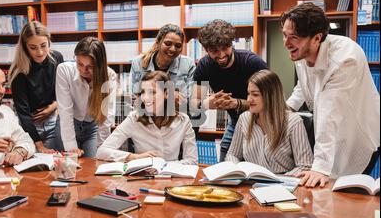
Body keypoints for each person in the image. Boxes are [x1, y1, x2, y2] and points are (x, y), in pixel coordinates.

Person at [281, 2, 380, 187]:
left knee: (345, 194)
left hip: (358, 135)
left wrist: (319, 167)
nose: (286, 43)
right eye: (284, 35)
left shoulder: (344, 59)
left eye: (293, 37)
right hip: (330, 134)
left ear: (317, 38)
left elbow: (329, 112)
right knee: (324, 189)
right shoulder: (302, 51)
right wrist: (285, 109)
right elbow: (303, 86)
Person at [191, 19, 268, 161]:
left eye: (225, 48)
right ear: (206, 50)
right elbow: (194, 104)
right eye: (214, 51)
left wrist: (237, 103)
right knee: (224, 166)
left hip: (263, 124)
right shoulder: (204, 66)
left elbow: (270, 102)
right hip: (236, 123)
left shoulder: (252, 62)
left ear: (231, 44)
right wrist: (208, 103)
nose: (221, 55)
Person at [97, 71, 197, 164]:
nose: (145, 98)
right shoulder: (134, 119)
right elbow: (102, 151)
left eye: (152, 92)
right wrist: (134, 157)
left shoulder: (183, 121)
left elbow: (192, 161)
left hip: (174, 177)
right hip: (144, 178)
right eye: (143, 92)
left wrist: (165, 166)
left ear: (167, 94)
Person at [225, 70, 313, 175]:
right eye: (248, 94)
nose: (249, 99)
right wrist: (238, 171)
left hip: (282, 186)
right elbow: (233, 154)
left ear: (271, 96)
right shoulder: (244, 118)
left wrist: (281, 180)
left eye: (255, 95)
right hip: (250, 184)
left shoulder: (293, 122)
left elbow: (305, 165)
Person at [56, 36, 116, 158]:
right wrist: (71, 147)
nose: (84, 70)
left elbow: (106, 116)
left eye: (90, 66)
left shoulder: (110, 76)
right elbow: (65, 110)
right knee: (67, 167)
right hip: (68, 125)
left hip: (92, 128)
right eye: (80, 64)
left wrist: (102, 148)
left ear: (99, 64)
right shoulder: (64, 70)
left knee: (93, 164)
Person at [9, 21, 64, 154]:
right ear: (25, 47)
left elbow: (64, 92)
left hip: (53, 120)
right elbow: (23, 114)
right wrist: (39, 145)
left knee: (56, 163)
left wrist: (53, 106)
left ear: (49, 42)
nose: (39, 52)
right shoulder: (19, 72)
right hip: (30, 126)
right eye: (33, 47)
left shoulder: (57, 58)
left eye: (43, 46)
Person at [131, 24, 196, 102]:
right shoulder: (138, 62)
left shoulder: (188, 64)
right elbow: (135, 96)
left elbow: (191, 101)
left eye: (178, 46)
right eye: (168, 44)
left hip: (177, 111)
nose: (172, 49)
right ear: (158, 42)